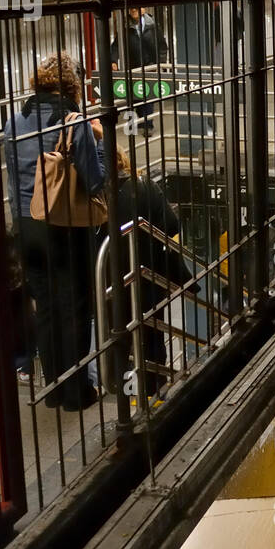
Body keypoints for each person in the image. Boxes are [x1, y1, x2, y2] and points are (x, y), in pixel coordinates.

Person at [4, 52, 105, 411]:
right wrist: (100, 140)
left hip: (26, 225)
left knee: (45, 307)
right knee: (74, 307)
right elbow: (95, 181)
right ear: (72, 86)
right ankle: (77, 394)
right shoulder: (75, 121)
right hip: (64, 226)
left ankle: (53, 389)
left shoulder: (14, 121)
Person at [106, 146, 192, 398]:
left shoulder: (94, 194)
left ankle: (124, 388)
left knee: (118, 333)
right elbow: (171, 225)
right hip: (148, 273)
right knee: (152, 330)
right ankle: (155, 388)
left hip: (110, 279)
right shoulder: (144, 187)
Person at [110, 6, 169, 135]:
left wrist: (161, 64)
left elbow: (162, 47)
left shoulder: (153, 26)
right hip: (133, 68)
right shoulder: (125, 28)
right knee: (135, 97)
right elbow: (116, 46)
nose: (133, 10)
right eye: (131, 8)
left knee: (148, 97)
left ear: (144, 10)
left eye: (137, 8)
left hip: (150, 67)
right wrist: (113, 60)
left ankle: (148, 125)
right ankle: (138, 123)